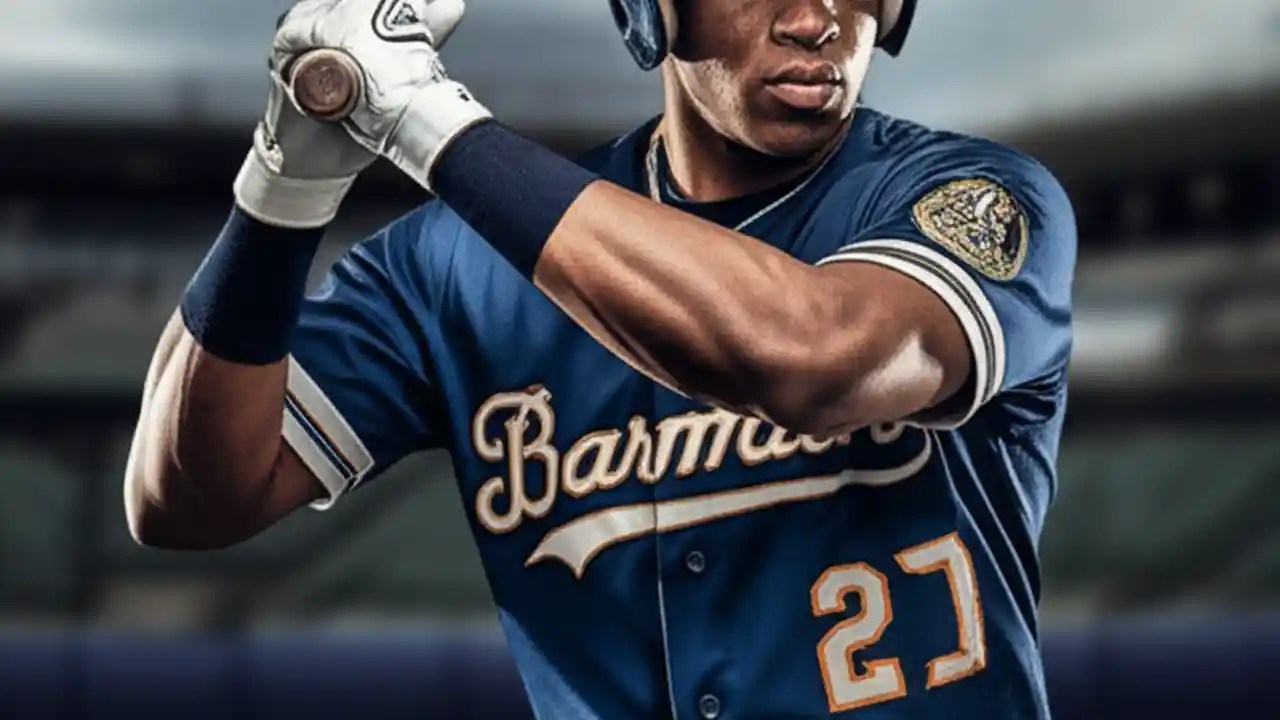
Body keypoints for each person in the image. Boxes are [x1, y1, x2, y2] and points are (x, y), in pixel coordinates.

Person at [125, 0, 1075, 717]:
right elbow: (190, 496)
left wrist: (420, 117)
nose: (815, 20)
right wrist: (283, 183)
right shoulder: (456, 259)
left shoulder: (981, 198)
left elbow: (815, 357)